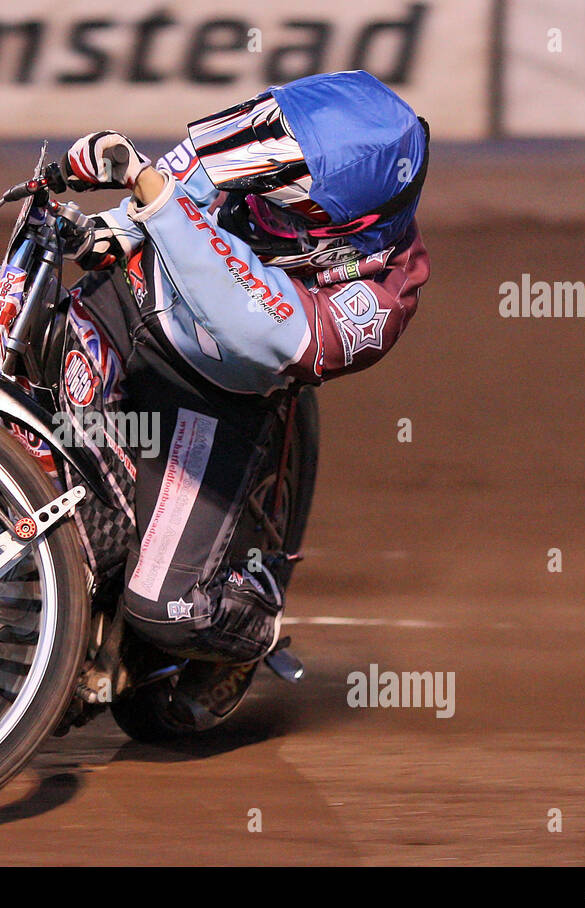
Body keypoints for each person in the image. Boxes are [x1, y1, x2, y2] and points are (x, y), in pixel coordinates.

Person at [56, 70, 431, 726]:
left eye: (279, 202)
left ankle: (247, 616)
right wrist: (115, 226)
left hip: (216, 396)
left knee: (162, 610)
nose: (254, 201)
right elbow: (195, 166)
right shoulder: (280, 134)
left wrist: (155, 200)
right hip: (133, 303)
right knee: (33, 384)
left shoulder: (378, 299)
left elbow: (253, 325)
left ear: (343, 227)